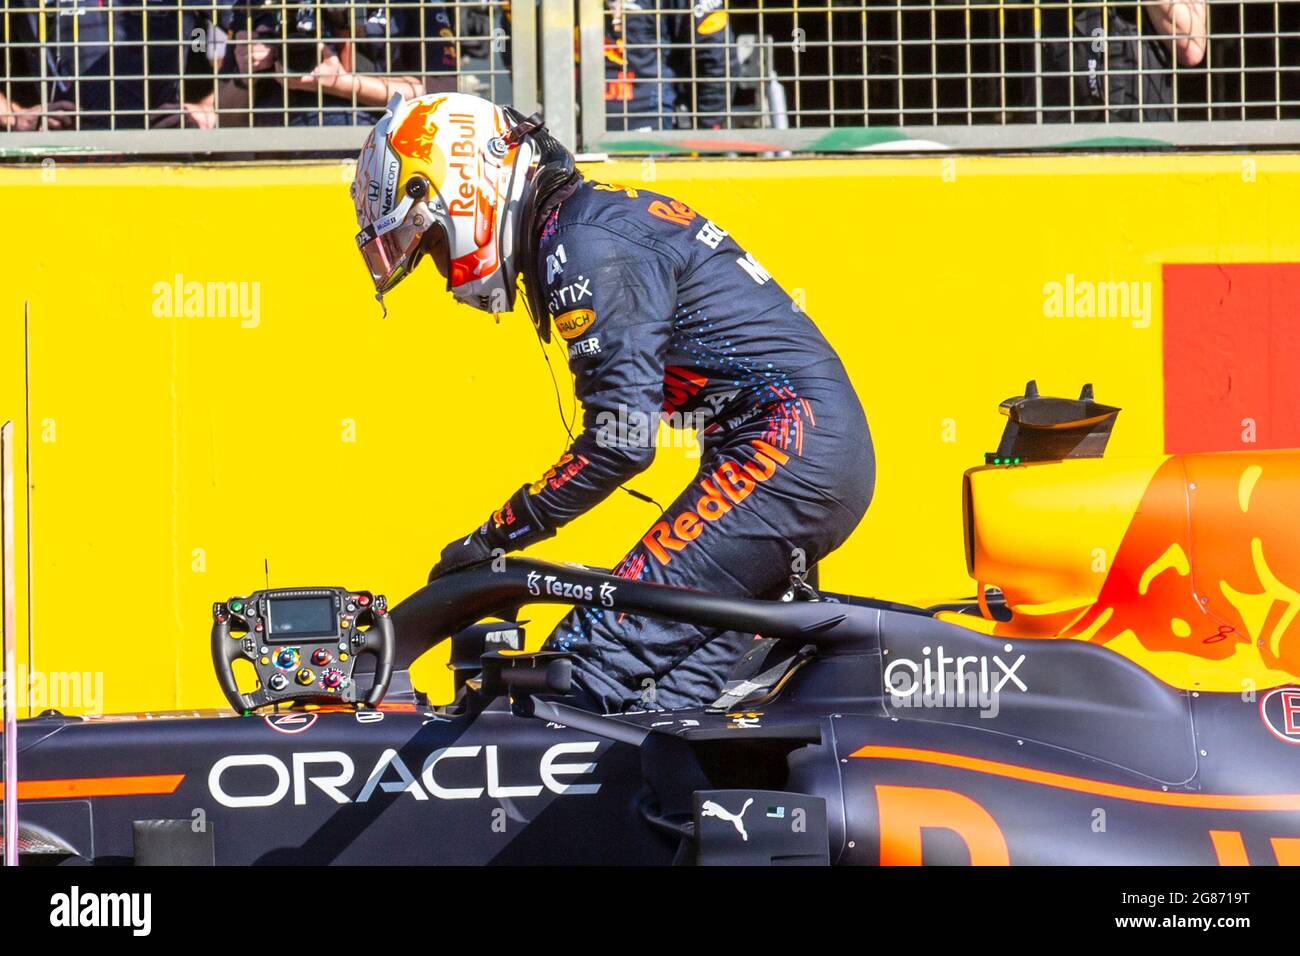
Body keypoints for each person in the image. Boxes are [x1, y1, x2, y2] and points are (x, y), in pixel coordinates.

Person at [350, 92, 874, 713]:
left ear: (462, 185)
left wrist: (492, 537)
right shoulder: (583, 225)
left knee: (580, 672)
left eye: (431, 244)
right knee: (673, 706)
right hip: (799, 453)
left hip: (786, 451)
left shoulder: (584, 244)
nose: (441, 272)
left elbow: (621, 442)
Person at [213, 0, 457, 127]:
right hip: (280, 143)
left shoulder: (414, 7)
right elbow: (225, 120)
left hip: (380, 140)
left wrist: (340, 84)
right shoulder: (258, 8)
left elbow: (441, 95)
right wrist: (246, 76)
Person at [0, 0, 219, 130]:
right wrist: (13, 117)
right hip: (62, 152)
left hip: (164, 148)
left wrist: (210, 109)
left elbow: (246, 39)